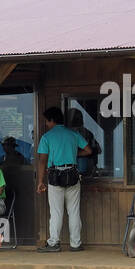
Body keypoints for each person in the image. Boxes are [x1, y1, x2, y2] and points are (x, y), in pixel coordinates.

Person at [35, 105, 92, 252]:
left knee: (56, 212)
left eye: (47, 121)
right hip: (72, 174)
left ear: (52, 120)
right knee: (73, 211)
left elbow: (42, 160)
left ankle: (54, 243)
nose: (46, 124)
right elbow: (88, 150)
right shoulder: (73, 134)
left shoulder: (47, 137)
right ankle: (76, 243)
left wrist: (40, 181)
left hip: (55, 176)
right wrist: (74, 154)